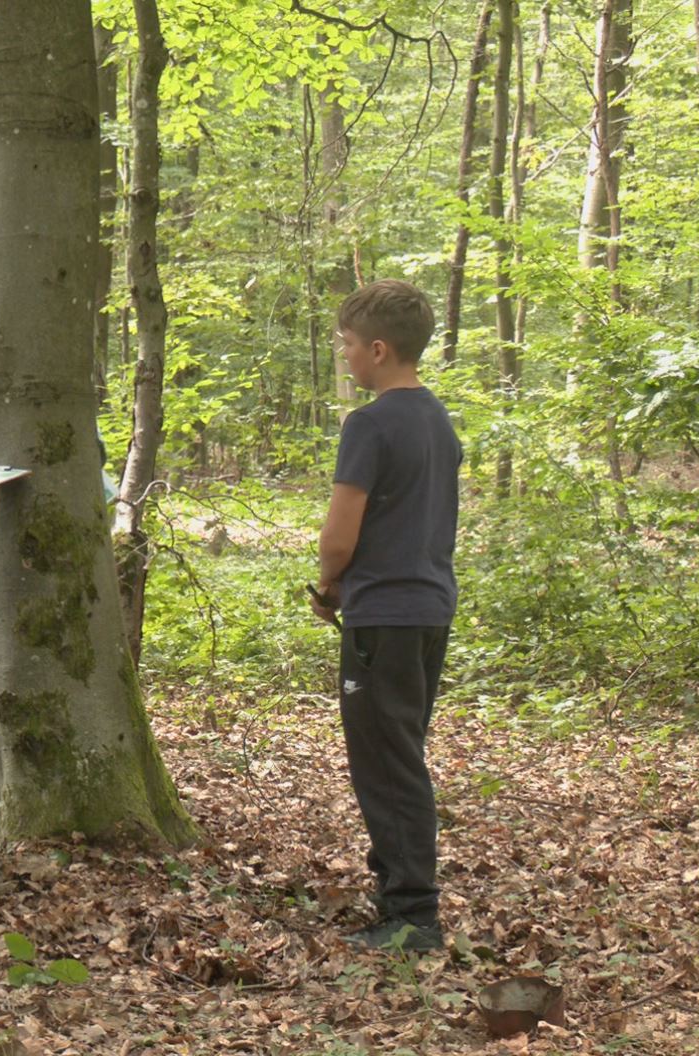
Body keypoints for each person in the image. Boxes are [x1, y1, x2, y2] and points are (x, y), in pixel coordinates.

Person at [308, 279, 461, 952]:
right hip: (428, 610)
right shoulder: (437, 420)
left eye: (346, 344)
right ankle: (397, 894)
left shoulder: (368, 425)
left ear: (378, 348)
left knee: (388, 764)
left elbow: (341, 533)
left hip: (385, 617)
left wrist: (329, 581)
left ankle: (412, 916)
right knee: (400, 754)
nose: (344, 356)